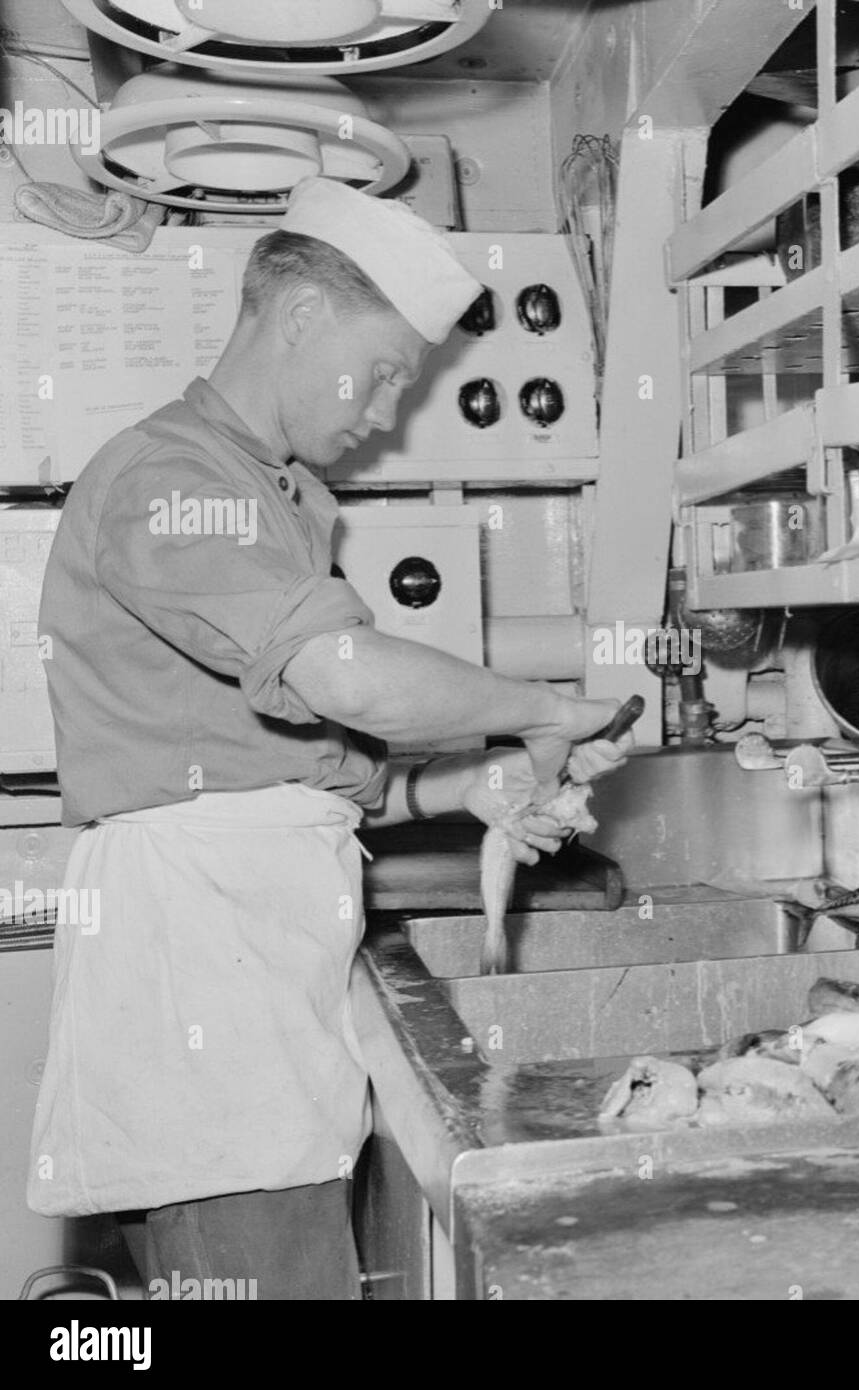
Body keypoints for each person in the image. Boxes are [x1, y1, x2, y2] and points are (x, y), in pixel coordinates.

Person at [28, 176, 630, 1299]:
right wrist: (541, 707)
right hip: (205, 981)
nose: (393, 411)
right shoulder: (175, 480)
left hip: (254, 958)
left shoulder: (271, 497)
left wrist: (482, 784)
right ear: (301, 316)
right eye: (391, 368)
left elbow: (306, 782)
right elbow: (345, 677)